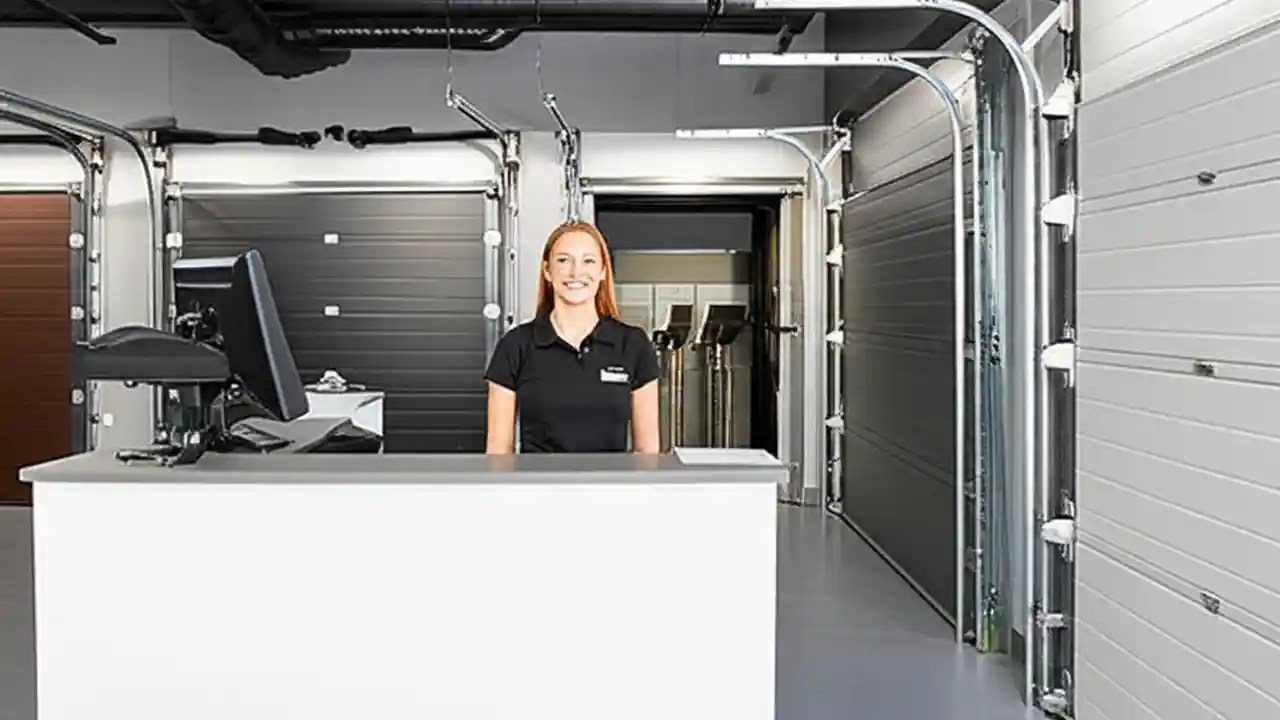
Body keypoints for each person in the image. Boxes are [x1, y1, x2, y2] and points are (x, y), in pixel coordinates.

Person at [484, 220, 661, 454]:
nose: (576, 272)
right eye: (563, 260)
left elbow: (647, 454)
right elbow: (498, 454)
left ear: (603, 271)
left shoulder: (633, 345)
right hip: (537, 479)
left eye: (588, 261)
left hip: (610, 480)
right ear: (547, 271)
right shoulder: (516, 345)